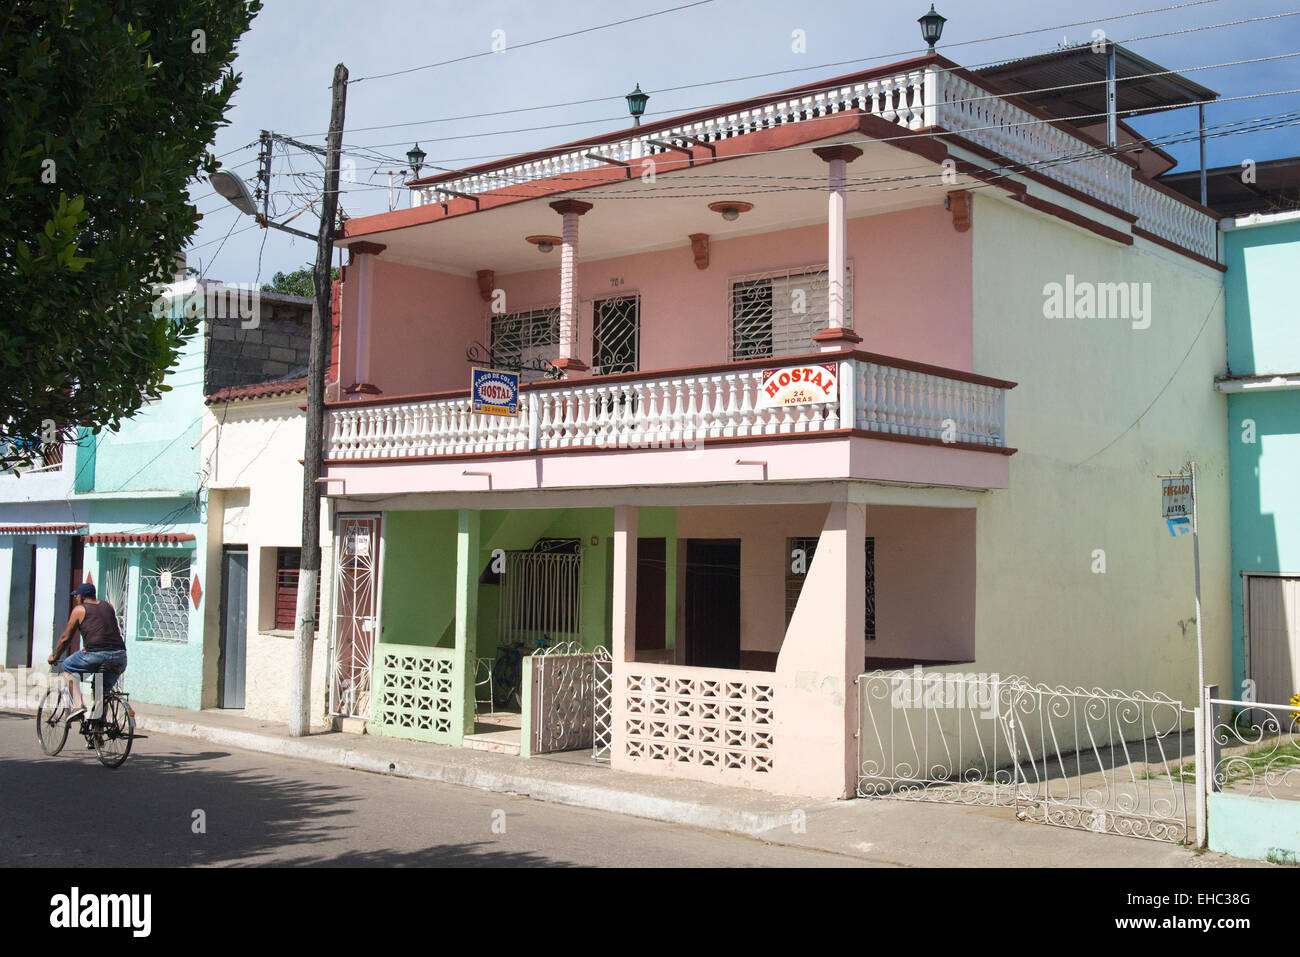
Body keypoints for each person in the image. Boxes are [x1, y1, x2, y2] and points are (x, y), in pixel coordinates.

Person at [48, 583, 128, 724]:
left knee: (67, 666)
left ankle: (78, 706)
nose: (75, 599)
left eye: (76, 596)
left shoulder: (79, 610)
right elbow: (104, 629)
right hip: (120, 655)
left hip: (96, 654)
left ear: (80, 596)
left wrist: (56, 656)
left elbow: (66, 638)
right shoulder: (108, 606)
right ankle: (98, 728)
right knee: (101, 691)